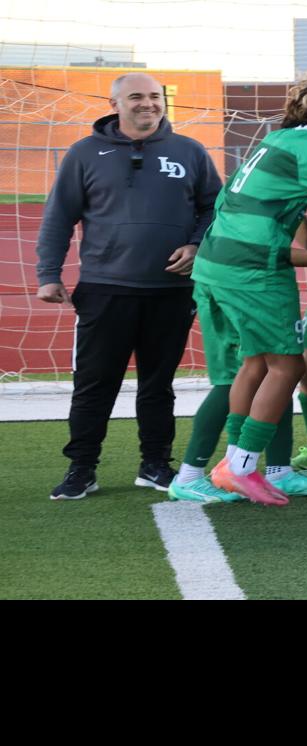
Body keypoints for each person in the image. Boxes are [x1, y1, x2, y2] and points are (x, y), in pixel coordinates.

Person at [35, 73, 221, 500]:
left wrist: (196, 245)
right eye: (136, 96)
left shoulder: (189, 151)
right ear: (115, 103)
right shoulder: (85, 153)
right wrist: (49, 275)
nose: (147, 104)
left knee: (159, 384)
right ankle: (82, 468)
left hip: (171, 290)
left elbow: (215, 208)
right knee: (95, 383)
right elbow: (59, 217)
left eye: (155, 97)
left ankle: (155, 464)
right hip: (105, 288)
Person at [191, 72, 307, 507]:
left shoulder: (283, 141)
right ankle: (239, 466)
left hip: (217, 263)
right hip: (256, 271)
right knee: (288, 367)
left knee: (255, 362)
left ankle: (239, 464)